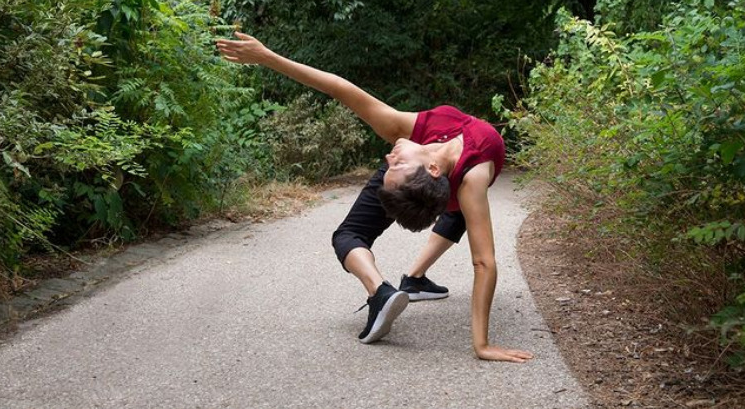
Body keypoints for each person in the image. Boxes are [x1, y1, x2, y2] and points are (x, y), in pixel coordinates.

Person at [216, 32, 533, 363]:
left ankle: (409, 280)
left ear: (435, 170)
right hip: (425, 183)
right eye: (395, 165)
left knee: (457, 215)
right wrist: (268, 57)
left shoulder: (470, 183)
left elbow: (484, 261)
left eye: (393, 165)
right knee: (380, 227)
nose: (387, 159)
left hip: (445, 187)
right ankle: (403, 283)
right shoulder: (410, 139)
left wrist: (481, 344)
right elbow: (339, 89)